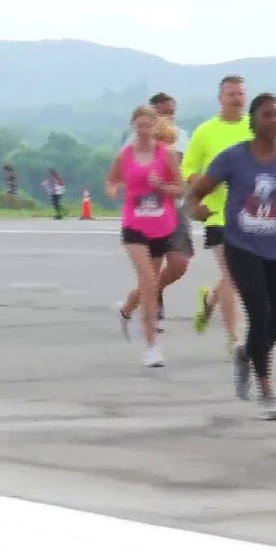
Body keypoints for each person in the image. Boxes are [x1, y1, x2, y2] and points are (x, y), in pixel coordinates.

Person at [189, 93, 276, 420]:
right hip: (241, 244)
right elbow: (196, 192)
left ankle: (247, 355)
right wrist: (195, 209)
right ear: (253, 119)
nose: (274, 120)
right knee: (260, 314)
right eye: (267, 114)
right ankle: (267, 389)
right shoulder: (233, 158)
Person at [107, 105, 185, 367]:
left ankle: (126, 309)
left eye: (148, 125)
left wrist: (162, 186)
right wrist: (114, 189)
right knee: (150, 283)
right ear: (133, 125)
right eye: (139, 125)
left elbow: (181, 189)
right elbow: (112, 180)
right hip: (134, 225)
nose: (143, 130)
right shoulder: (124, 155)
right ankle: (152, 347)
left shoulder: (166, 155)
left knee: (146, 285)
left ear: (155, 127)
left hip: (161, 225)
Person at [182, 75, 253, 355]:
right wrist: (207, 182)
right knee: (233, 276)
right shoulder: (205, 131)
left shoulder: (255, 128)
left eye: (241, 94)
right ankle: (234, 340)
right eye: (232, 94)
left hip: (251, 215)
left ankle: (210, 301)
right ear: (220, 98)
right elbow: (187, 168)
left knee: (240, 275)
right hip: (217, 214)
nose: (238, 98)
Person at [125, 92, 194, 330]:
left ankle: (148, 293)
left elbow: (181, 166)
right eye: (163, 112)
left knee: (179, 263)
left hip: (174, 208)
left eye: (171, 112)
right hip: (147, 210)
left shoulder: (181, 137)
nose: (168, 116)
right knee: (151, 264)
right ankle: (151, 306)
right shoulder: (134, 142)